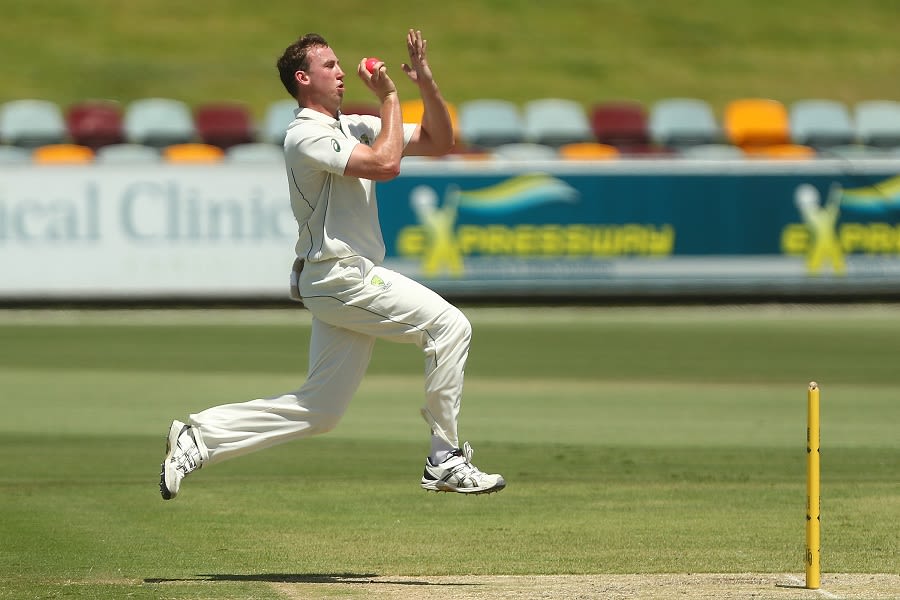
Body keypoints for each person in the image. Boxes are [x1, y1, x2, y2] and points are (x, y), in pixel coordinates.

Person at [159, 29, 505, 500]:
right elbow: (387, 165)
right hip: (341, 274)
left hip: (340, 280)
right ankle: (444, 459)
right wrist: (388, 96)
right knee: (450, 327)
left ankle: (200, 436)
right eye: (329, 66)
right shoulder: (305, 135)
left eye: (339, 65)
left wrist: (425, 84)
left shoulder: (352, 126)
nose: (342, 73)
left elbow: (439, 140)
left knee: (320, 410)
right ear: (303, 79)